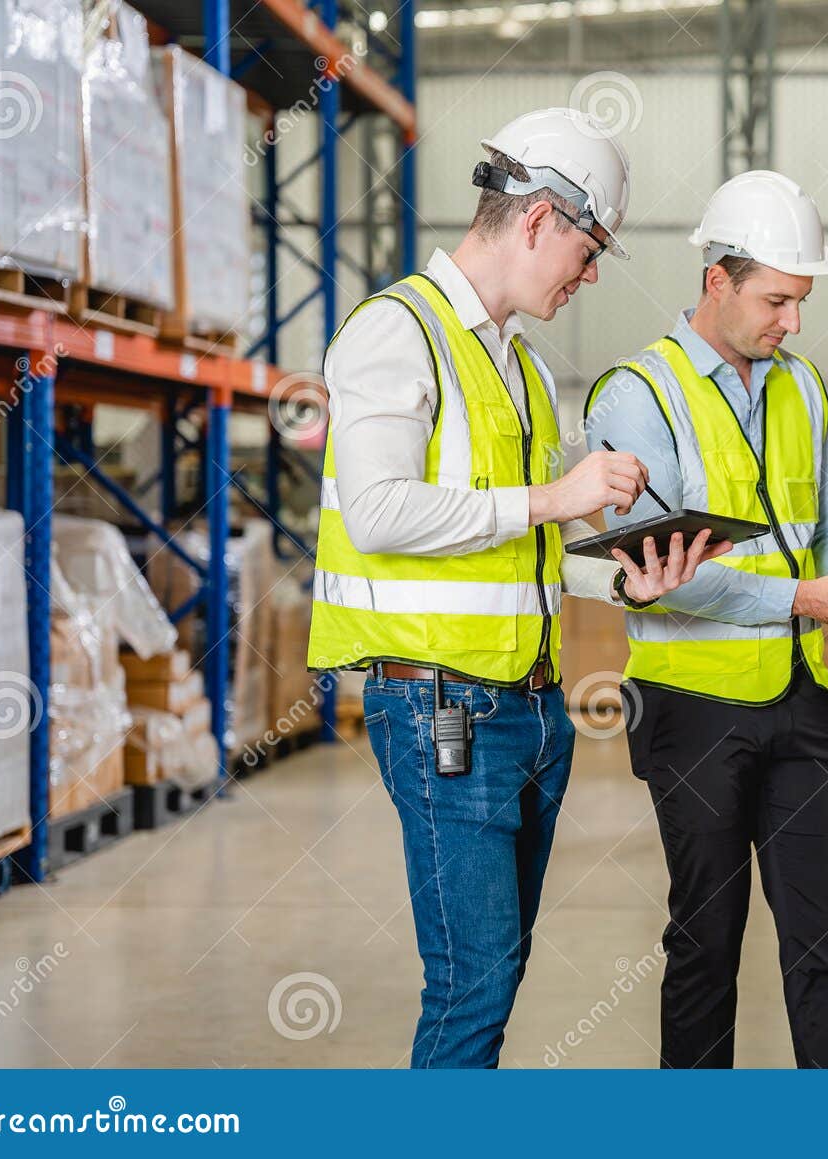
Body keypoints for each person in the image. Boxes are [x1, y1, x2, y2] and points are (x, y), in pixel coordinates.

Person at [306, 107, 728, 1069]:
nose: (586, 279)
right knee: (472, 985)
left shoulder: (525, 370)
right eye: (587, 253)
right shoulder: (394, 332)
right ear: (537, 219)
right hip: (440, 708)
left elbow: (526, 550)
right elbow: (380, 512)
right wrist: (558, 494)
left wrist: (633, 579)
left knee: (496, 973)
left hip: (531, 715)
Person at [583, 170, 828, 1069]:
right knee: (706, 944)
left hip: (801, 699)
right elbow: (663, 576)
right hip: (691, 708)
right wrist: (812, 599)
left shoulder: (801, 387)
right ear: (717, 281)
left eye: (802, 300)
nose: (793, 322)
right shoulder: (635, 395)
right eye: (778, 299)